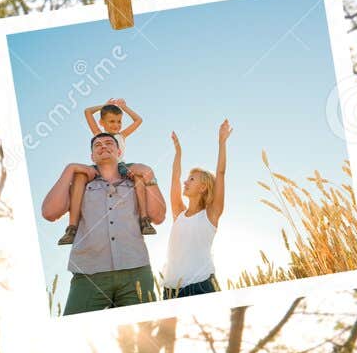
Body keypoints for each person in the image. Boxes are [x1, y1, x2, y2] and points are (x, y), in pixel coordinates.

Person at [41, 132, 166, 313]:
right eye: (97, 145)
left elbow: (159, 217)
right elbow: (49, 213)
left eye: (109, 143)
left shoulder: (136, 182)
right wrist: (69, 169)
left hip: (136, 271)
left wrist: (150, 175)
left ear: (119, 151)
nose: (103, 146)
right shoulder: (80, 185)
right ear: (91, 156)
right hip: (88, 274)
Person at [59, 97, 155, 243]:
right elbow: (87, 112)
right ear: (102, 123)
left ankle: (144, 220)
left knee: (138, 176)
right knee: (79, 177)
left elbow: (138, 120)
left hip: (120, 165)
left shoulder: (121, 135)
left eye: (119, 121)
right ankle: (72, 227)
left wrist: (125, 107)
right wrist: (105, 105)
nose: (116, 125)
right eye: (111, 121)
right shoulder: (98, 133)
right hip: (99, 166)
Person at [162, 120, 232, 298]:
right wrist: (178, 152)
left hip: (201, 287)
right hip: (171, 290)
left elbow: (221, 174)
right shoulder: (179, 213)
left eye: (192, 179)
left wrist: (221, 143)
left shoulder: (211, 214)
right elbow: (175, 177)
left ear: (203, 187)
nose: (186, 182)